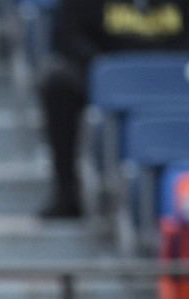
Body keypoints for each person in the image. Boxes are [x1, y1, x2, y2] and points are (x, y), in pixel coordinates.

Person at [36, 0, 189, 219]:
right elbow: (67, 37)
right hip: (106, 73)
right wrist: (110, 73)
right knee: (58, 84)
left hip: (173, 81)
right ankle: (67, 194)